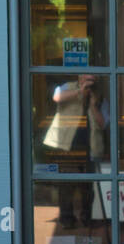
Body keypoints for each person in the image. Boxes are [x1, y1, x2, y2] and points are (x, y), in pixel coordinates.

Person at [43, 74, 110, 227]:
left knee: (88, 187)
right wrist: (79, 91)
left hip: (91, 147)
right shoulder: (69, 86)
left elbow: (103, 124)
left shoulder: (99, 97)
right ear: (80, 78)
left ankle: (86, 217)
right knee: (66, 184)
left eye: (92, 80)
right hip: (67, 145)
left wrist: (93, 104)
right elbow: (56, 97)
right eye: (86, 78)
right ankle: (67, 218)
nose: (89, 83)